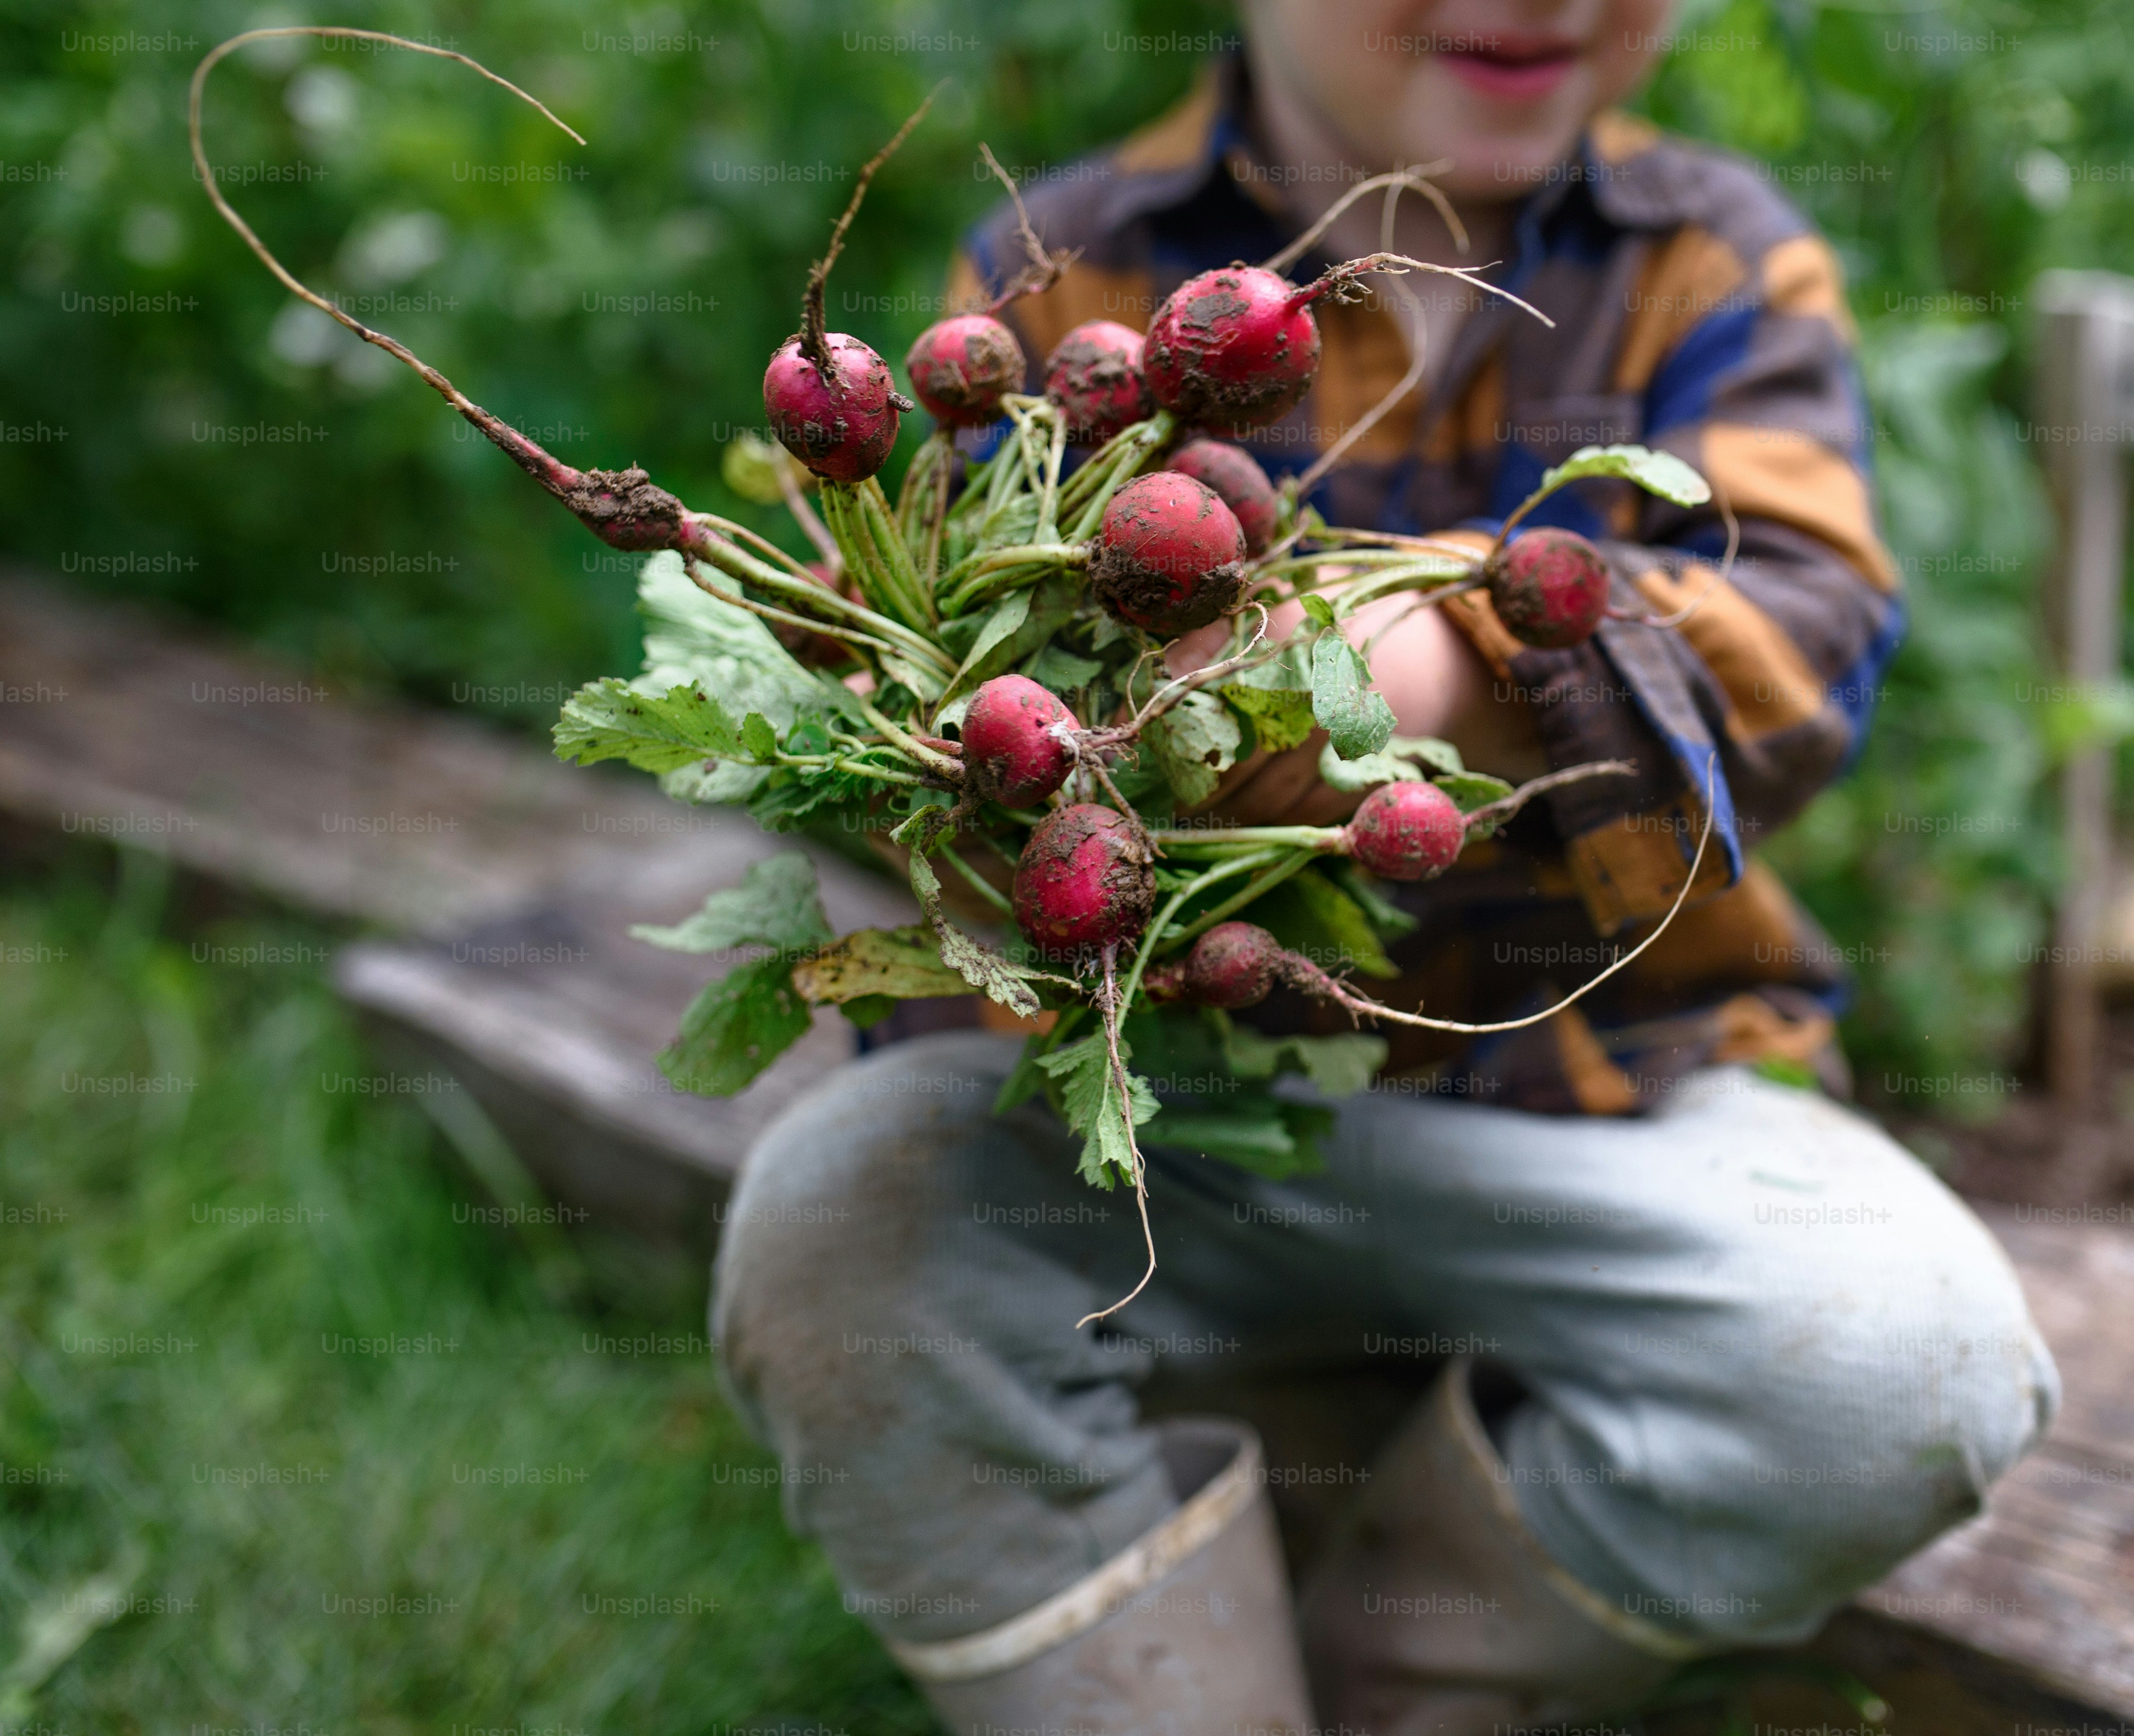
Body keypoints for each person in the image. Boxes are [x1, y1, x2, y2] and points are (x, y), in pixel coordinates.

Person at [713, 5, 2059, 1731]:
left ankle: (1399, 1681)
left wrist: (1415, 672)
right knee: (834, 1234)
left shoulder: (1719, 262)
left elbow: (1800, 656)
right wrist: (926, 726)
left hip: (1604, 1096)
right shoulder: (1063, 266)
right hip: (1159, 1125)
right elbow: (962, 746)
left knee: (1906, 1369)